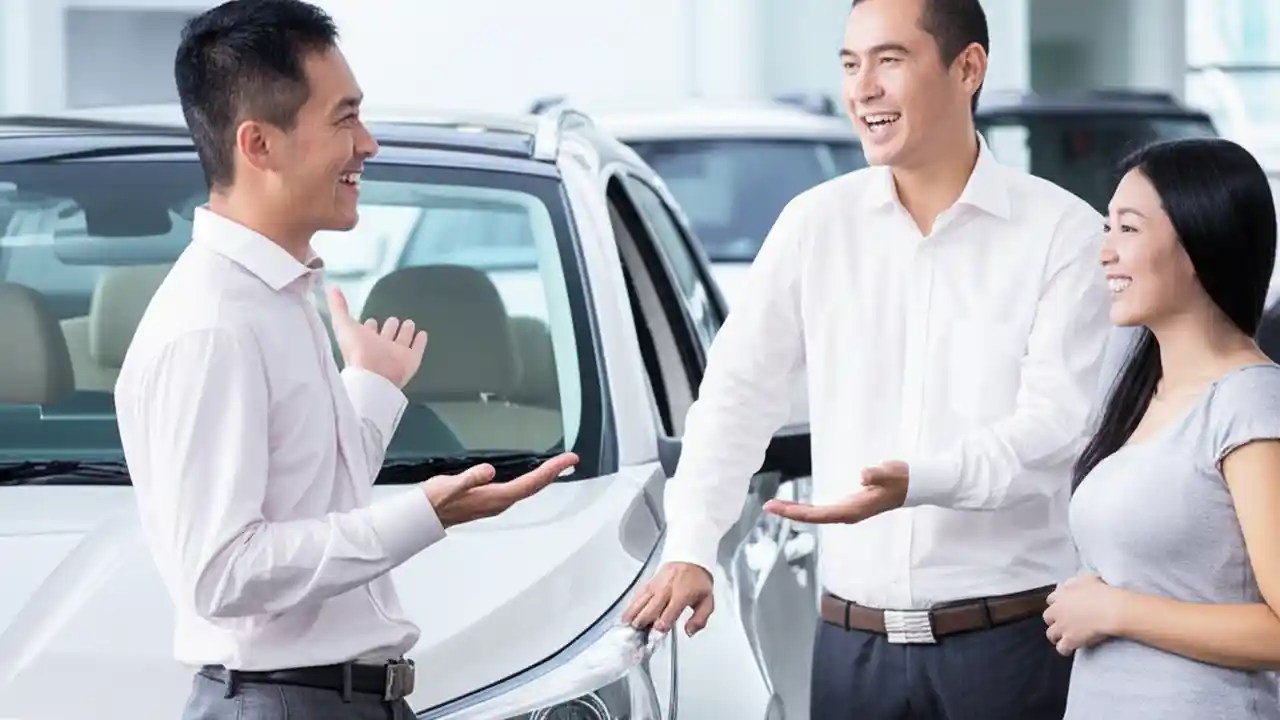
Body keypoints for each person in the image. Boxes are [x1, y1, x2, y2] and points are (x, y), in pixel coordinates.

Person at [621, 0, 1111, 717]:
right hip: (852, 652)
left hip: (1009, 651)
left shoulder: (1062, 235)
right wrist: (692, 543)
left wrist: (919, 481)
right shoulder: (814, 225)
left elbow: (1056, 430)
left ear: (968, 67)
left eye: (889, 60)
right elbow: (736, 395)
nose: (863, 89)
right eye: (851, 65)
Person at [113, 2, 577, 718]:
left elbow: (306, 498)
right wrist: (425, 513)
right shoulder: (212, 325)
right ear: (258, 144)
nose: (369, 143)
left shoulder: (281, 293)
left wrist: (370, 389)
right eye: (345, 119)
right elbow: (222, 574)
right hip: (285, 703)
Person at [1043, 138, 1280, 719]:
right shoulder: (1138, 390)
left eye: (1128, 228)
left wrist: (1115, 612)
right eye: (1106, 227)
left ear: (1201, 240)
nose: (1105, 251)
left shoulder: (1249, 400)